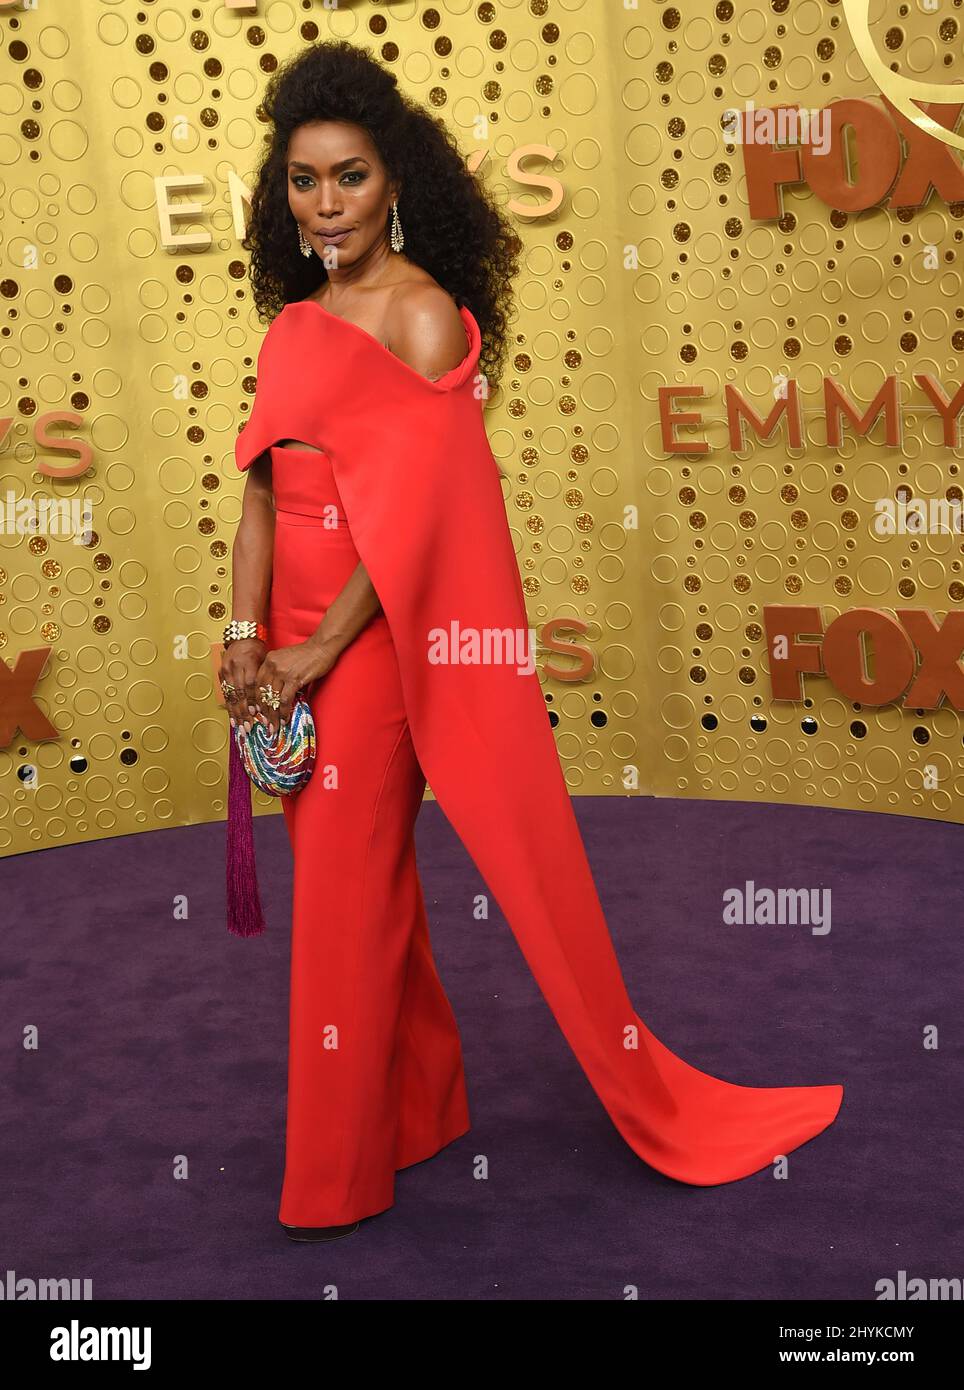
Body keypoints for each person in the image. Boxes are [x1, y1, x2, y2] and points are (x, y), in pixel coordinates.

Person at [220, 41, 844, 1243]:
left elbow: (418, 531)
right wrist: (247, 631)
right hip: (283, 644)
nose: (327, 203)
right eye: (303, 180)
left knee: (341, 909)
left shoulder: (421, 318)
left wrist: (313, 651)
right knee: (357, 885)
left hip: (371, 652)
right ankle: (426, 1104)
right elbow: (257, 492)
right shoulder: (293, 323)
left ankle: (337, 1174)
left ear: (395, 180)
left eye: (349, 176)